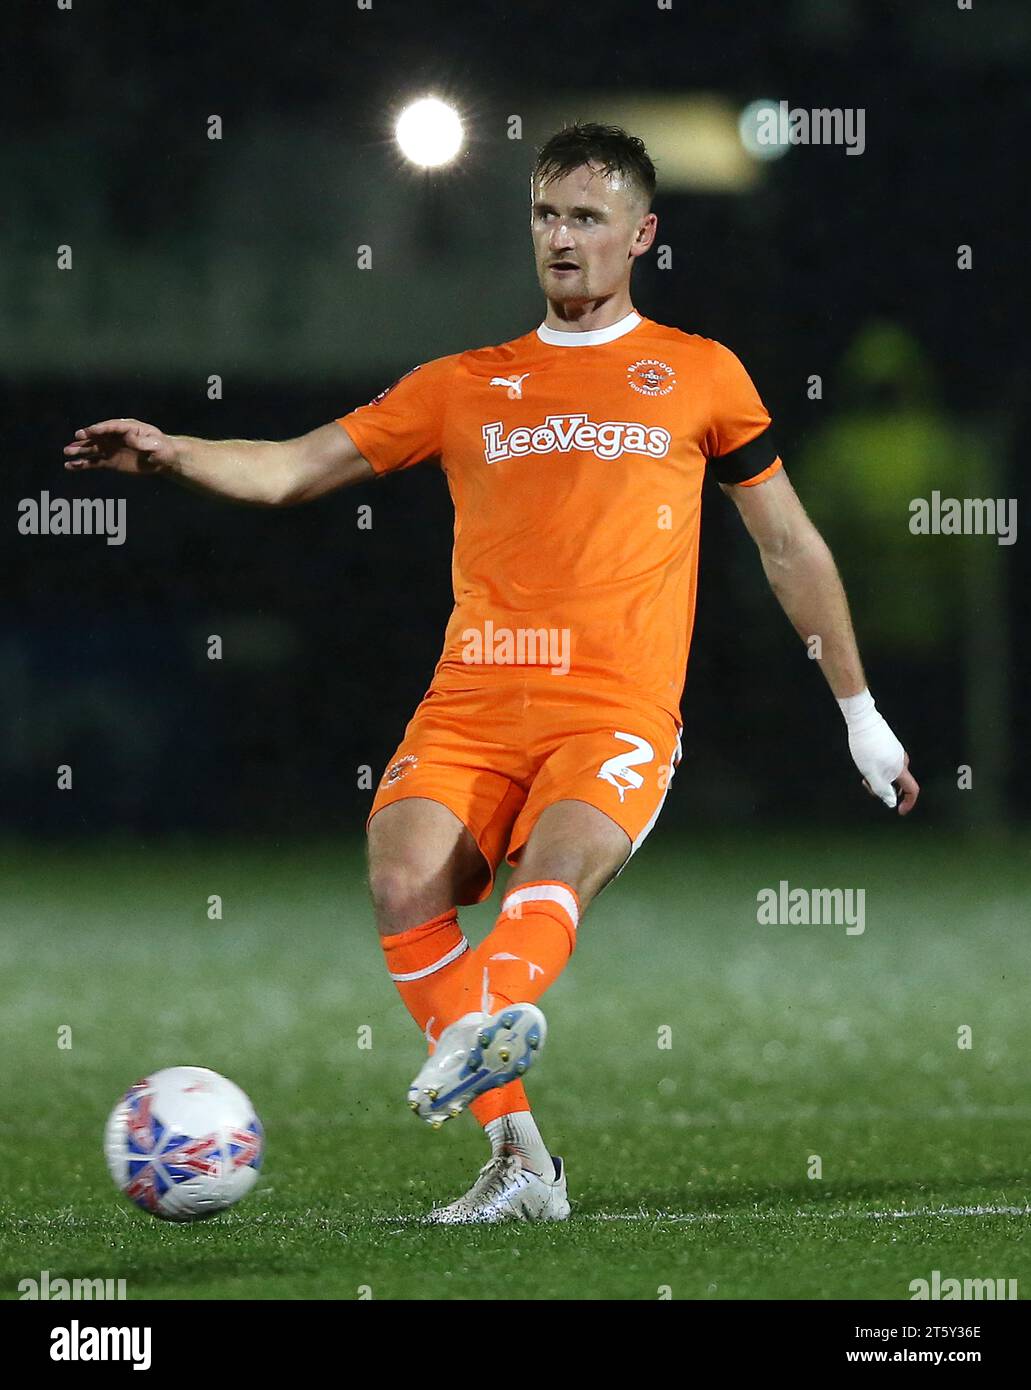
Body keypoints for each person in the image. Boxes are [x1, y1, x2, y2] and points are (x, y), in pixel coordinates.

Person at [63, 122, 919, 1225]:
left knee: (551, 870)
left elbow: (787, 543)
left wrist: (858, 712)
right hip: (471, 702)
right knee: (400, 873)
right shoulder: (462, 384)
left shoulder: (700, 375)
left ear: (640, 234)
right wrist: (178, 452)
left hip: (614, 706)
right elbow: (290, 469)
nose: (560, 239)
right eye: (544, 215)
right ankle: (522, 1165)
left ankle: (482, 1024)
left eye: (586, 218)